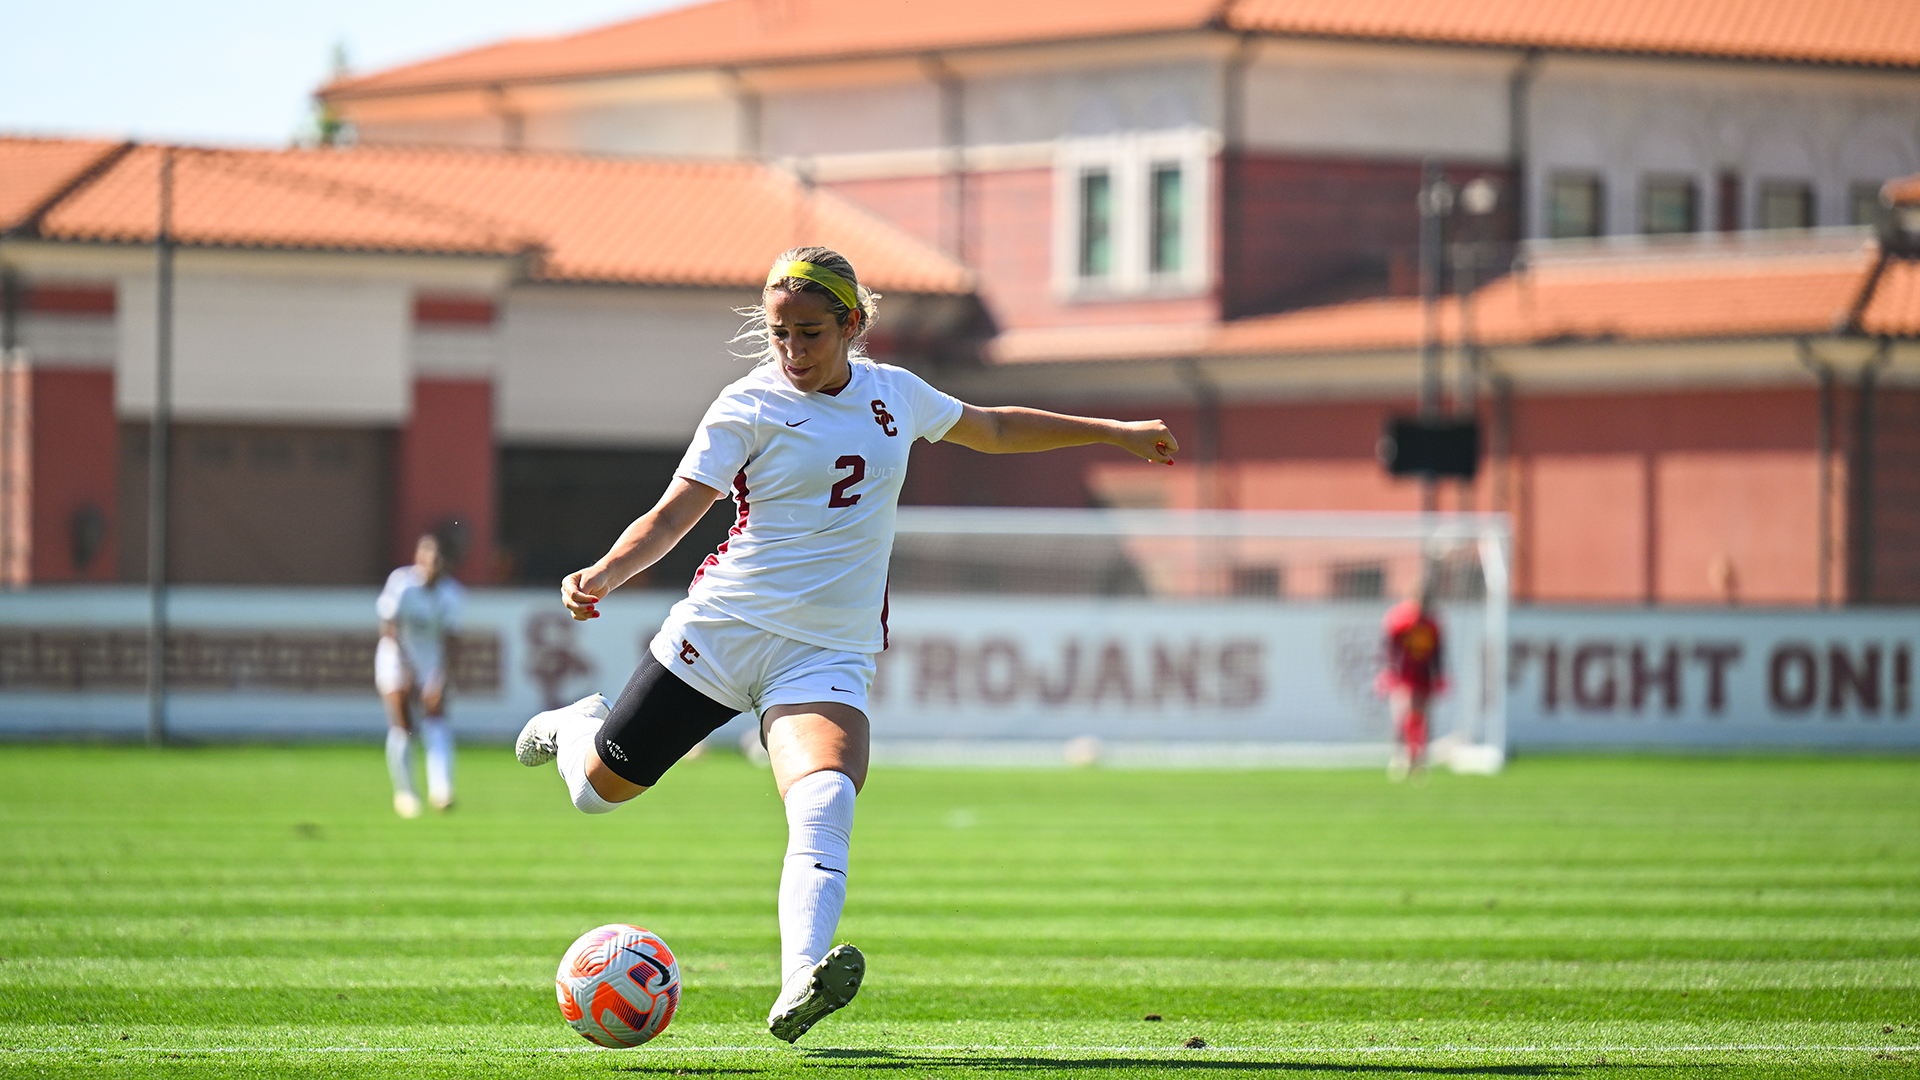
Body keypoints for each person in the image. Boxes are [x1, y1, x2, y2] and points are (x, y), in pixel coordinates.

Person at [513, 246, 1178, 1043]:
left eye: (809, 333)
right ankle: (573, 723)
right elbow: (674, 512)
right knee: (594, 792)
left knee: (825, 799)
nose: (792, 350)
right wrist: (606, 572)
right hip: (724, 632)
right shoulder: (747, 405)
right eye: (779, 333)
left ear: (852, 325)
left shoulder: (896, 394)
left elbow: (994, 429)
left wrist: (1114, 432)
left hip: (826, 652)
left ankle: (800, 979)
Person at [376, 533, 464, 817]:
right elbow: (389, 629)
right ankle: (405, 793)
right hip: (396, 656)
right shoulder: (402, 584)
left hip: (430, 662)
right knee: (404, 724)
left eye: (438, 559)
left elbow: (452, 641)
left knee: (436, 717)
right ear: (418, 559)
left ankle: (442, 790)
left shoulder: (452, 593)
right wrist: (406, 670)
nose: (432, 564)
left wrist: (441, 677)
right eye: (428, 558)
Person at [1378, 583, 1445, 780]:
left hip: (1424, 677)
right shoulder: (1401, 622)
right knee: (1402, 717)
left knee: (1423, 718)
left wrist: (1439, 675)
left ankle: (1420, 759)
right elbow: (1390, 649)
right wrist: (1390, 672)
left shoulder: (1431, 625)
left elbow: (1438, 652)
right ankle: (1400, 757)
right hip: (1405, 677)